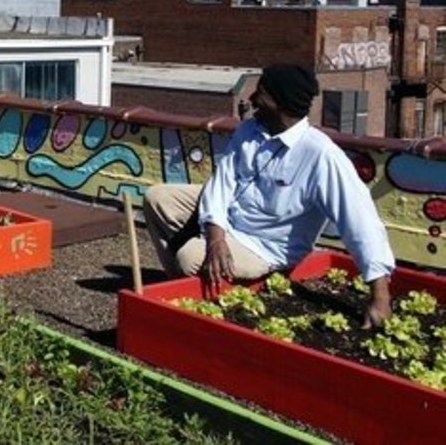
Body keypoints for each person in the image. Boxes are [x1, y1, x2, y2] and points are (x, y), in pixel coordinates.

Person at [142, 64, 395, 327]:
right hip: (232, 219)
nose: (252, 100)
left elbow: (360, 222)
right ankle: (184, 284)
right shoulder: (250, 130)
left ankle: (190, 296)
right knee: (158, 198)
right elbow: (221, 185)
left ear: (281, 103)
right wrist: (216, 238)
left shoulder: (320, 156)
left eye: (261, 94)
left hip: (261, 246)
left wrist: (380, 296)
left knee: (190, 257)